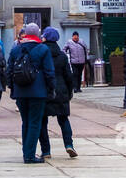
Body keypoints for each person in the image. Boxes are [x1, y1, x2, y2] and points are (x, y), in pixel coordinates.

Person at [7, 22, 56, 162]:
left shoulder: (16, 49)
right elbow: (49, 72)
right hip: (38, 92)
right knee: (35, 123)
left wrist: (12, 88)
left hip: (20, 91)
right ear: (38, 34)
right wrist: (51, 88)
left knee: (25, 122)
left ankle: (26, 153)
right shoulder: (43, 49)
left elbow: (9, 70)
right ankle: (29, 155)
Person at [40, 28, 77, 159]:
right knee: (63, 119)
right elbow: (69, 75)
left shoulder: (41, 53)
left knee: (42, 122)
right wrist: (69, 91)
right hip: (61, 90)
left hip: (45, 90)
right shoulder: (62, 55)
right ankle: (69, 144)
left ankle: (46, 151)